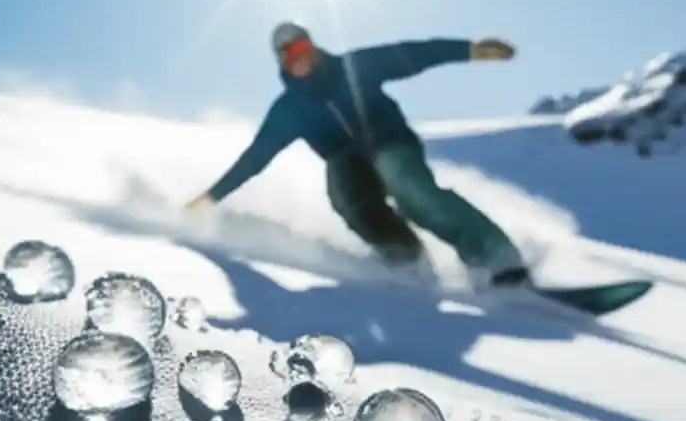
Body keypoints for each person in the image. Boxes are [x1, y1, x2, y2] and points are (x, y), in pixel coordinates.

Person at [185, 21, 529, 286]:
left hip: (390, 142)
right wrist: (212, 196)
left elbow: (413, 54)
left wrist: (469, 49)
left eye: (303, 45)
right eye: (290, 53)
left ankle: (493, 256)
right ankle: (404, 254)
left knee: (407, 187)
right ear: (283, 62)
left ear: (313, 45)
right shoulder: (289, 109)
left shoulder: (354, 66)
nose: (299, 55)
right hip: (347, 160)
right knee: (344, 194)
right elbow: (256, 157)